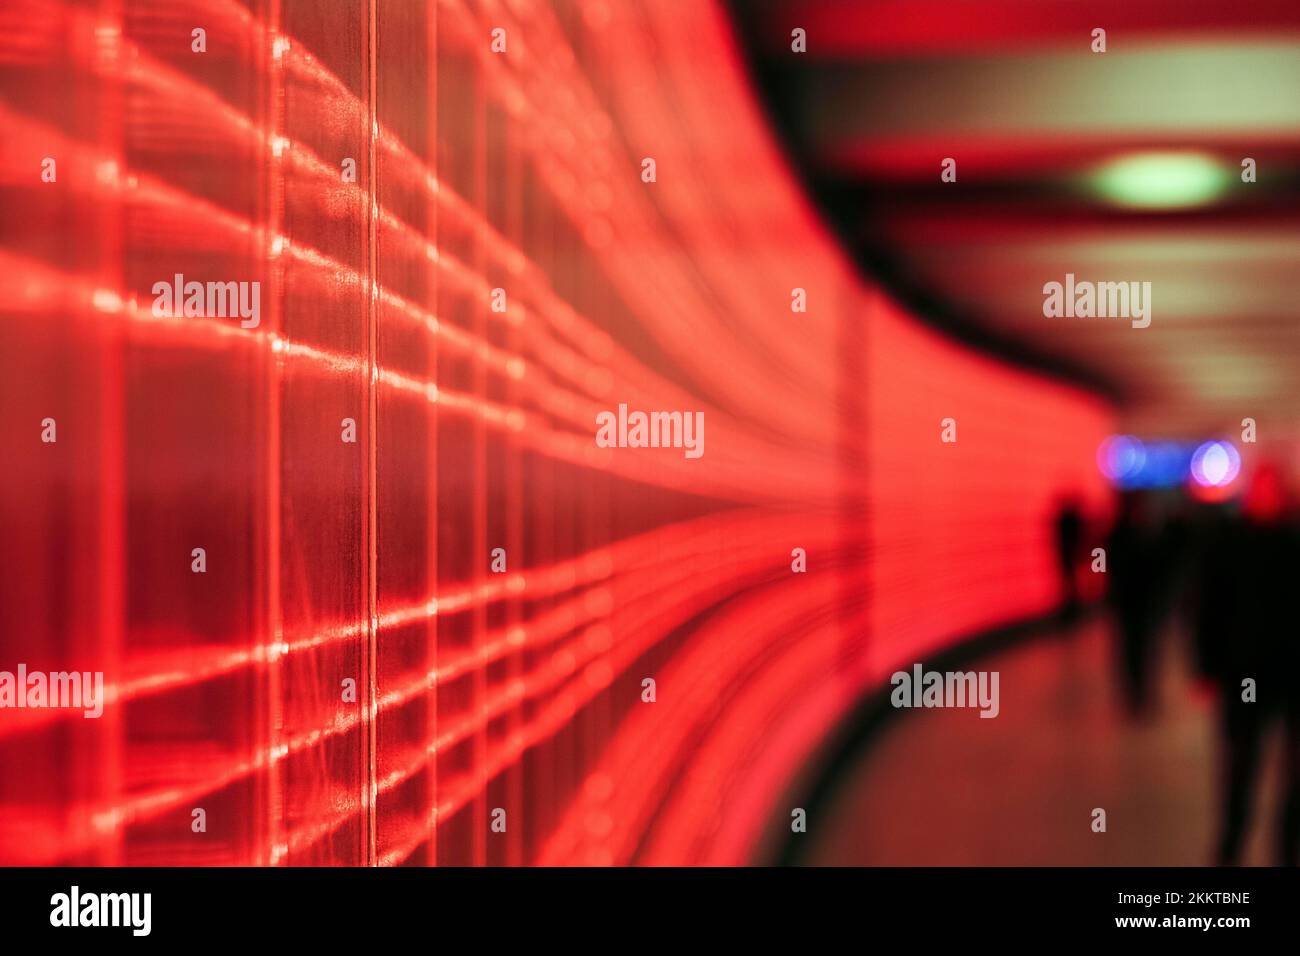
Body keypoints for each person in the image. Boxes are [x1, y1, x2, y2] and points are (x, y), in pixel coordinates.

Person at [1193, 462, 1300, 865]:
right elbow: (1209, 609)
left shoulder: (1292, 542)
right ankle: (1231, 844)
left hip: (1292, 673)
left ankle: (1287, 848)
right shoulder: (1229, 544)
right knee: (1240, 768)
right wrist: (1206, 667)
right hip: (1245, 673)